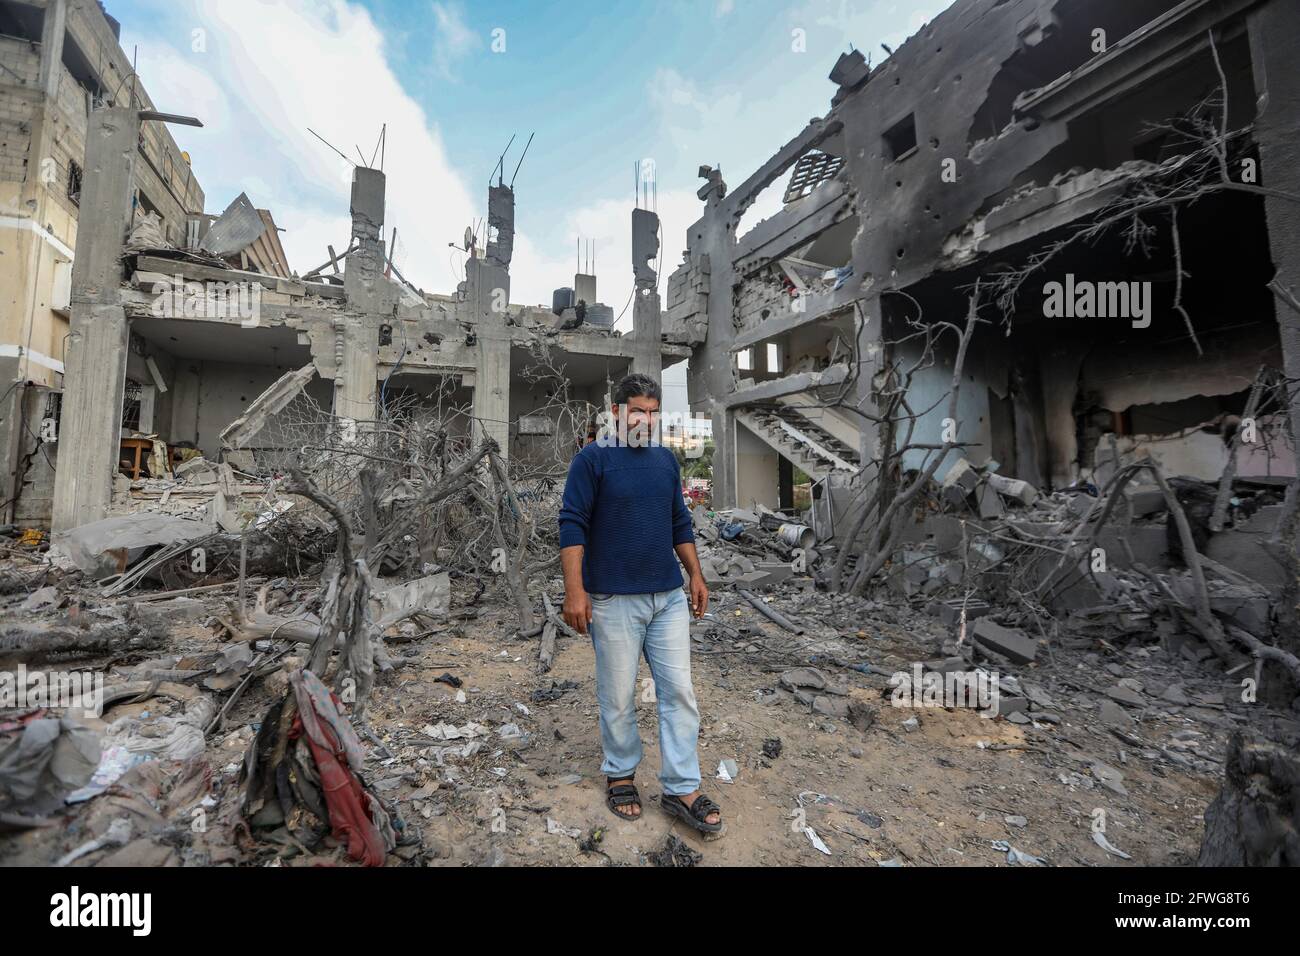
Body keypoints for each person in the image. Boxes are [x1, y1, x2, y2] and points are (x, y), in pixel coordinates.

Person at [557, 373, 721, 834]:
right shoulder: (592, 460)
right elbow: (572, 524)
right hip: (613, 599)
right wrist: (576, 591)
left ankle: (681, 787)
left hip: (667, 597)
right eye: (637, 412)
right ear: (616, 413)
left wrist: (695, 573)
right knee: (618, 695)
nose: (646, 420)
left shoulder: (666, 461)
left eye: (653, 413)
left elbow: (678, 521)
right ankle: (621, 773)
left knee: (678, 692)